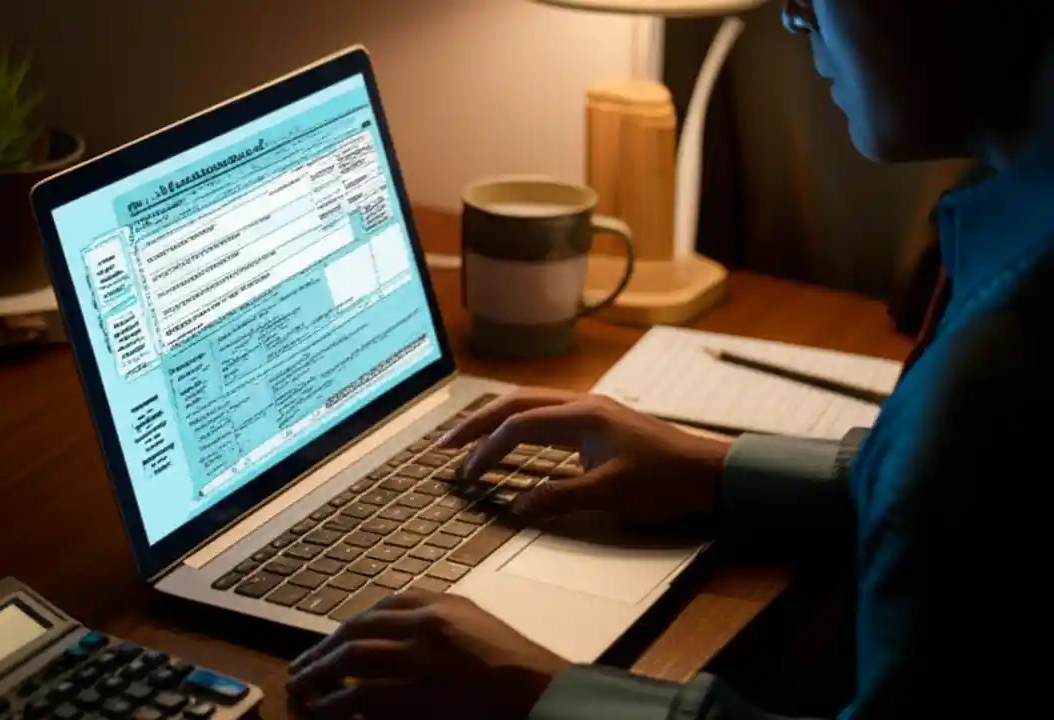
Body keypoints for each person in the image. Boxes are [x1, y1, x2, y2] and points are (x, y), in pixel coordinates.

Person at [286, 1, 1054, 717]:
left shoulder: (1003, 356)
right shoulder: (1016, 247)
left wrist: (537, 688)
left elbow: (951, 473)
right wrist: (717, 467)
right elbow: (982, 499)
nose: (791, 16)